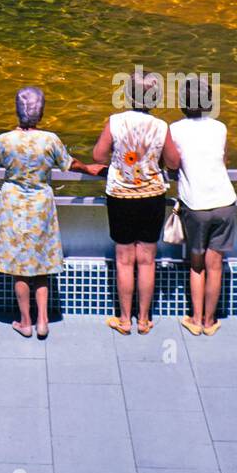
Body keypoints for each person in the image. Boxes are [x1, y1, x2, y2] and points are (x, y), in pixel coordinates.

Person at [0, 87, 103, 339]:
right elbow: (70, 164)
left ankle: (25, 322)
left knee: (19, 267)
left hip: (13, 205)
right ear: (41, 112)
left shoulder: (5, 140)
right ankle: (43, 321)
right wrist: (90, 168)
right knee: (41, 264)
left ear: (17, 111)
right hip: (41, 205)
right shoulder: (50, 140)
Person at [93, 68, 181, 335]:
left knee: (123, 260)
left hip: (120, 196)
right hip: (152, 196)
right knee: (146, 261)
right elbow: (174, 162)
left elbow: (98, 155)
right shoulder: (161, 126)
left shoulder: (115, 121)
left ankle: (123, 320)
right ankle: (143, 320)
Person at [169, 75, 236, 337]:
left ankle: (195, 320)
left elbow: (173, 164)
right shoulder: (220, 128)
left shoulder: (174, 129)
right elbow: (225, 160)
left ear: (182, 103)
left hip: (195, 205)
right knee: (215, 266)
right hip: (225, 201)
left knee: (196, 265)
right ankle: (210, 322)